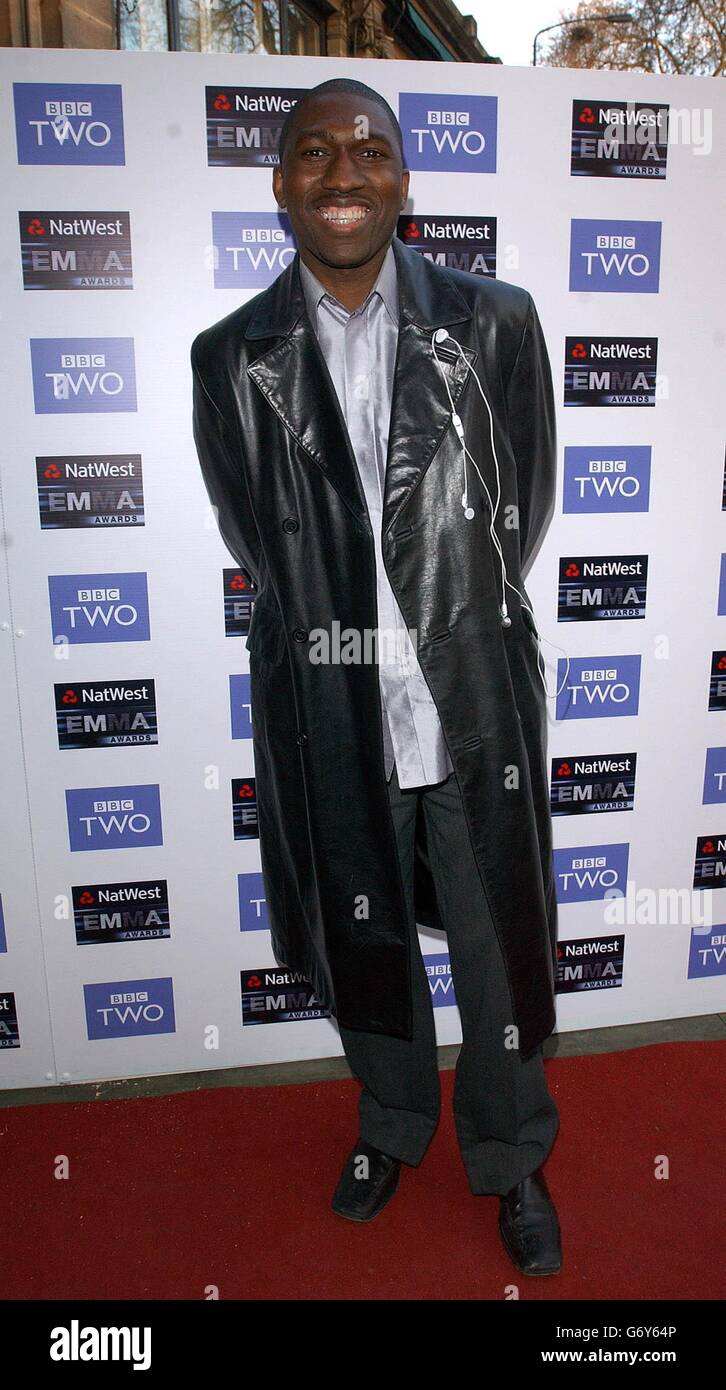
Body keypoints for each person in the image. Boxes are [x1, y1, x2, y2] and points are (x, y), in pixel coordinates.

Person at [191, 77, 562, 1276]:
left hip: (470, 699)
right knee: (366, 939)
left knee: (496, 941)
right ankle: (391, 1126)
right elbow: (261, 541)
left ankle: (510, 1156)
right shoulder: (229, 357)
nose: (340, 173)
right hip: (333, 708)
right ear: (280, 184)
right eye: (311, 152)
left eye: (368, 150)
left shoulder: (496, 324)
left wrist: (446, 627)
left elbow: (524, 510)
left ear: (405, 178)